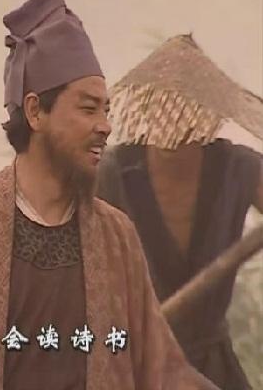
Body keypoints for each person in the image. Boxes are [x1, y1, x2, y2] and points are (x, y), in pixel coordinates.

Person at [0, 0, 218, 389]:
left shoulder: (116, 237)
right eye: (88, 108)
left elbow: (161, 369)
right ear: (35, 111)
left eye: (106, 111)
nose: (105, 126)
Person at [97, 34, 263, 389]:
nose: (172, 125)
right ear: (145, 108)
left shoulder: (236, 168)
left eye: (184, 109)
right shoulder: (111, 174)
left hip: (211, 367)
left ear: (206, 114)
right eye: (162, 108)